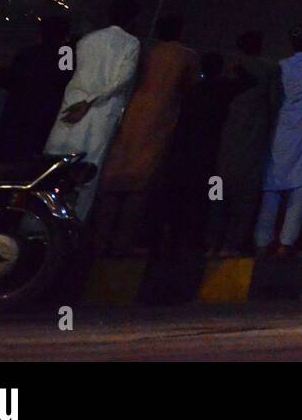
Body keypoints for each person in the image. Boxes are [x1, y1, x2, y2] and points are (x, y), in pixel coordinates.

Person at [97, 14, 200, 252]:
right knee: (140, 186)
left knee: (113, 182)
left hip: (131, 119)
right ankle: (123, 242)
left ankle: (100, 240)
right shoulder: (187, 56)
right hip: (160, 123)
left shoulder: (144, 51)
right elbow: (190, 88)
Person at [44, 0, 142, 221]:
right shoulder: (130, 43)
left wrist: (82, 100)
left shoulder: (87, 40)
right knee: (88, 171)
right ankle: (71, 221)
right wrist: (92, 100)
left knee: (55, 163)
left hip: (71, 106)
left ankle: (38, 219)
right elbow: (123, 79)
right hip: (101, 112)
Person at [254, 16, 302, 255]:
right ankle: (286, 243)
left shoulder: (282, 66)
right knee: (300, 189)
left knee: (272, 188)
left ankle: (261, 241)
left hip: (282, 128)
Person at [159, 51, 244, 255]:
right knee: (207, 196)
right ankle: (196, 240)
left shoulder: (194, 90)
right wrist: (238, 71)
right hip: (211, 149)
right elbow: (248, 82)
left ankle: (173, 240)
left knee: (183, 195)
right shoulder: (222, 88)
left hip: (187, 149)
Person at [206, 30, 281, 256]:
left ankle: (211, 242)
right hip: (254, 140)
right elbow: (275, 103)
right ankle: (232, 244)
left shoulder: (230, 68)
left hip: (226, 142)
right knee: (245, 197)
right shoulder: (270, 69)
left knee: (217, 194)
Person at [0, 14, 72, 159]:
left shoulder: (26, 54)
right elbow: (65, 78)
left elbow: (13, 79)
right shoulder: (65, 54)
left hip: (21, 112)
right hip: (47, 111)